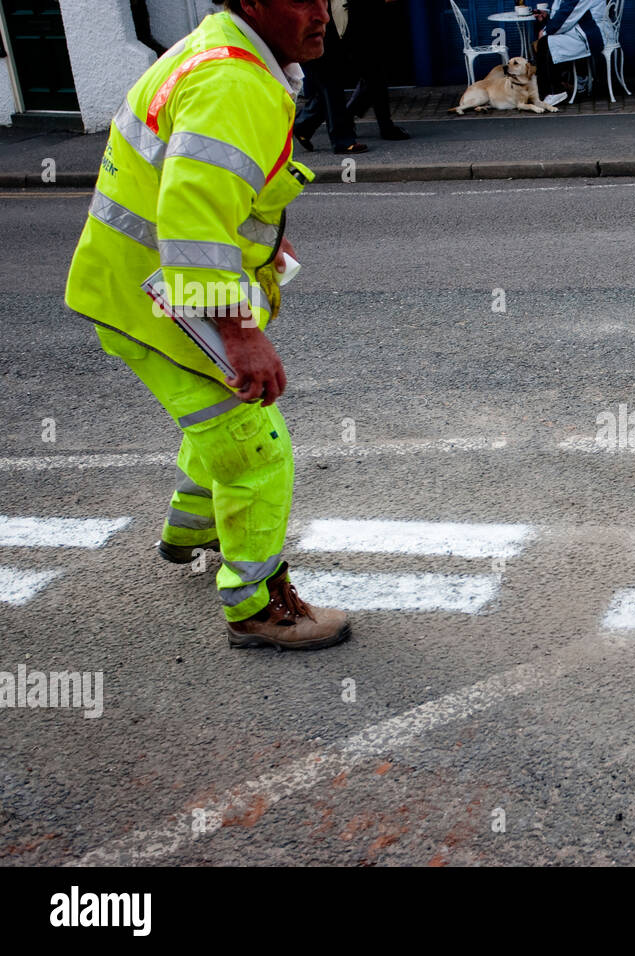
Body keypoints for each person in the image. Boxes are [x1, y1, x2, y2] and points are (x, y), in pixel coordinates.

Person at [64, 0, 351, 650]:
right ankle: (256, 607)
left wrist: (260, 247)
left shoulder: (231, 50)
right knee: (258, 448)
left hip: (131, 284)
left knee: (214, 422)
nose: (319, 14)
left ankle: (193, 530)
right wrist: (240, 334)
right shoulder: (233, 81)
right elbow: (192, 216)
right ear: (250, 1)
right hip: (160, 296)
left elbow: (217, 188)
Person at [293, 0, 368, 154]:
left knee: (329, 87)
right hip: (317, 32)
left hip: (334, 32)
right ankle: (343, 141)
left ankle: (302, 125)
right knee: (332, 87)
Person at [343, 0, 410, 141]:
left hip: (374, 16)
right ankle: (385, 126)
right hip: (364, 20)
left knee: (375, 76)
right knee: (375, 75)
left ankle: (347, 115)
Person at [532, 0, 617, 108]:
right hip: (584, 28)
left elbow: (568, 14)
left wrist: (545, 31)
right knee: (547, 41)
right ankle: (571, 83)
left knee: (545, 43)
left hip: (594, 33)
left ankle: (553, 92)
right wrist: (547, 17)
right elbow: (564, 12)